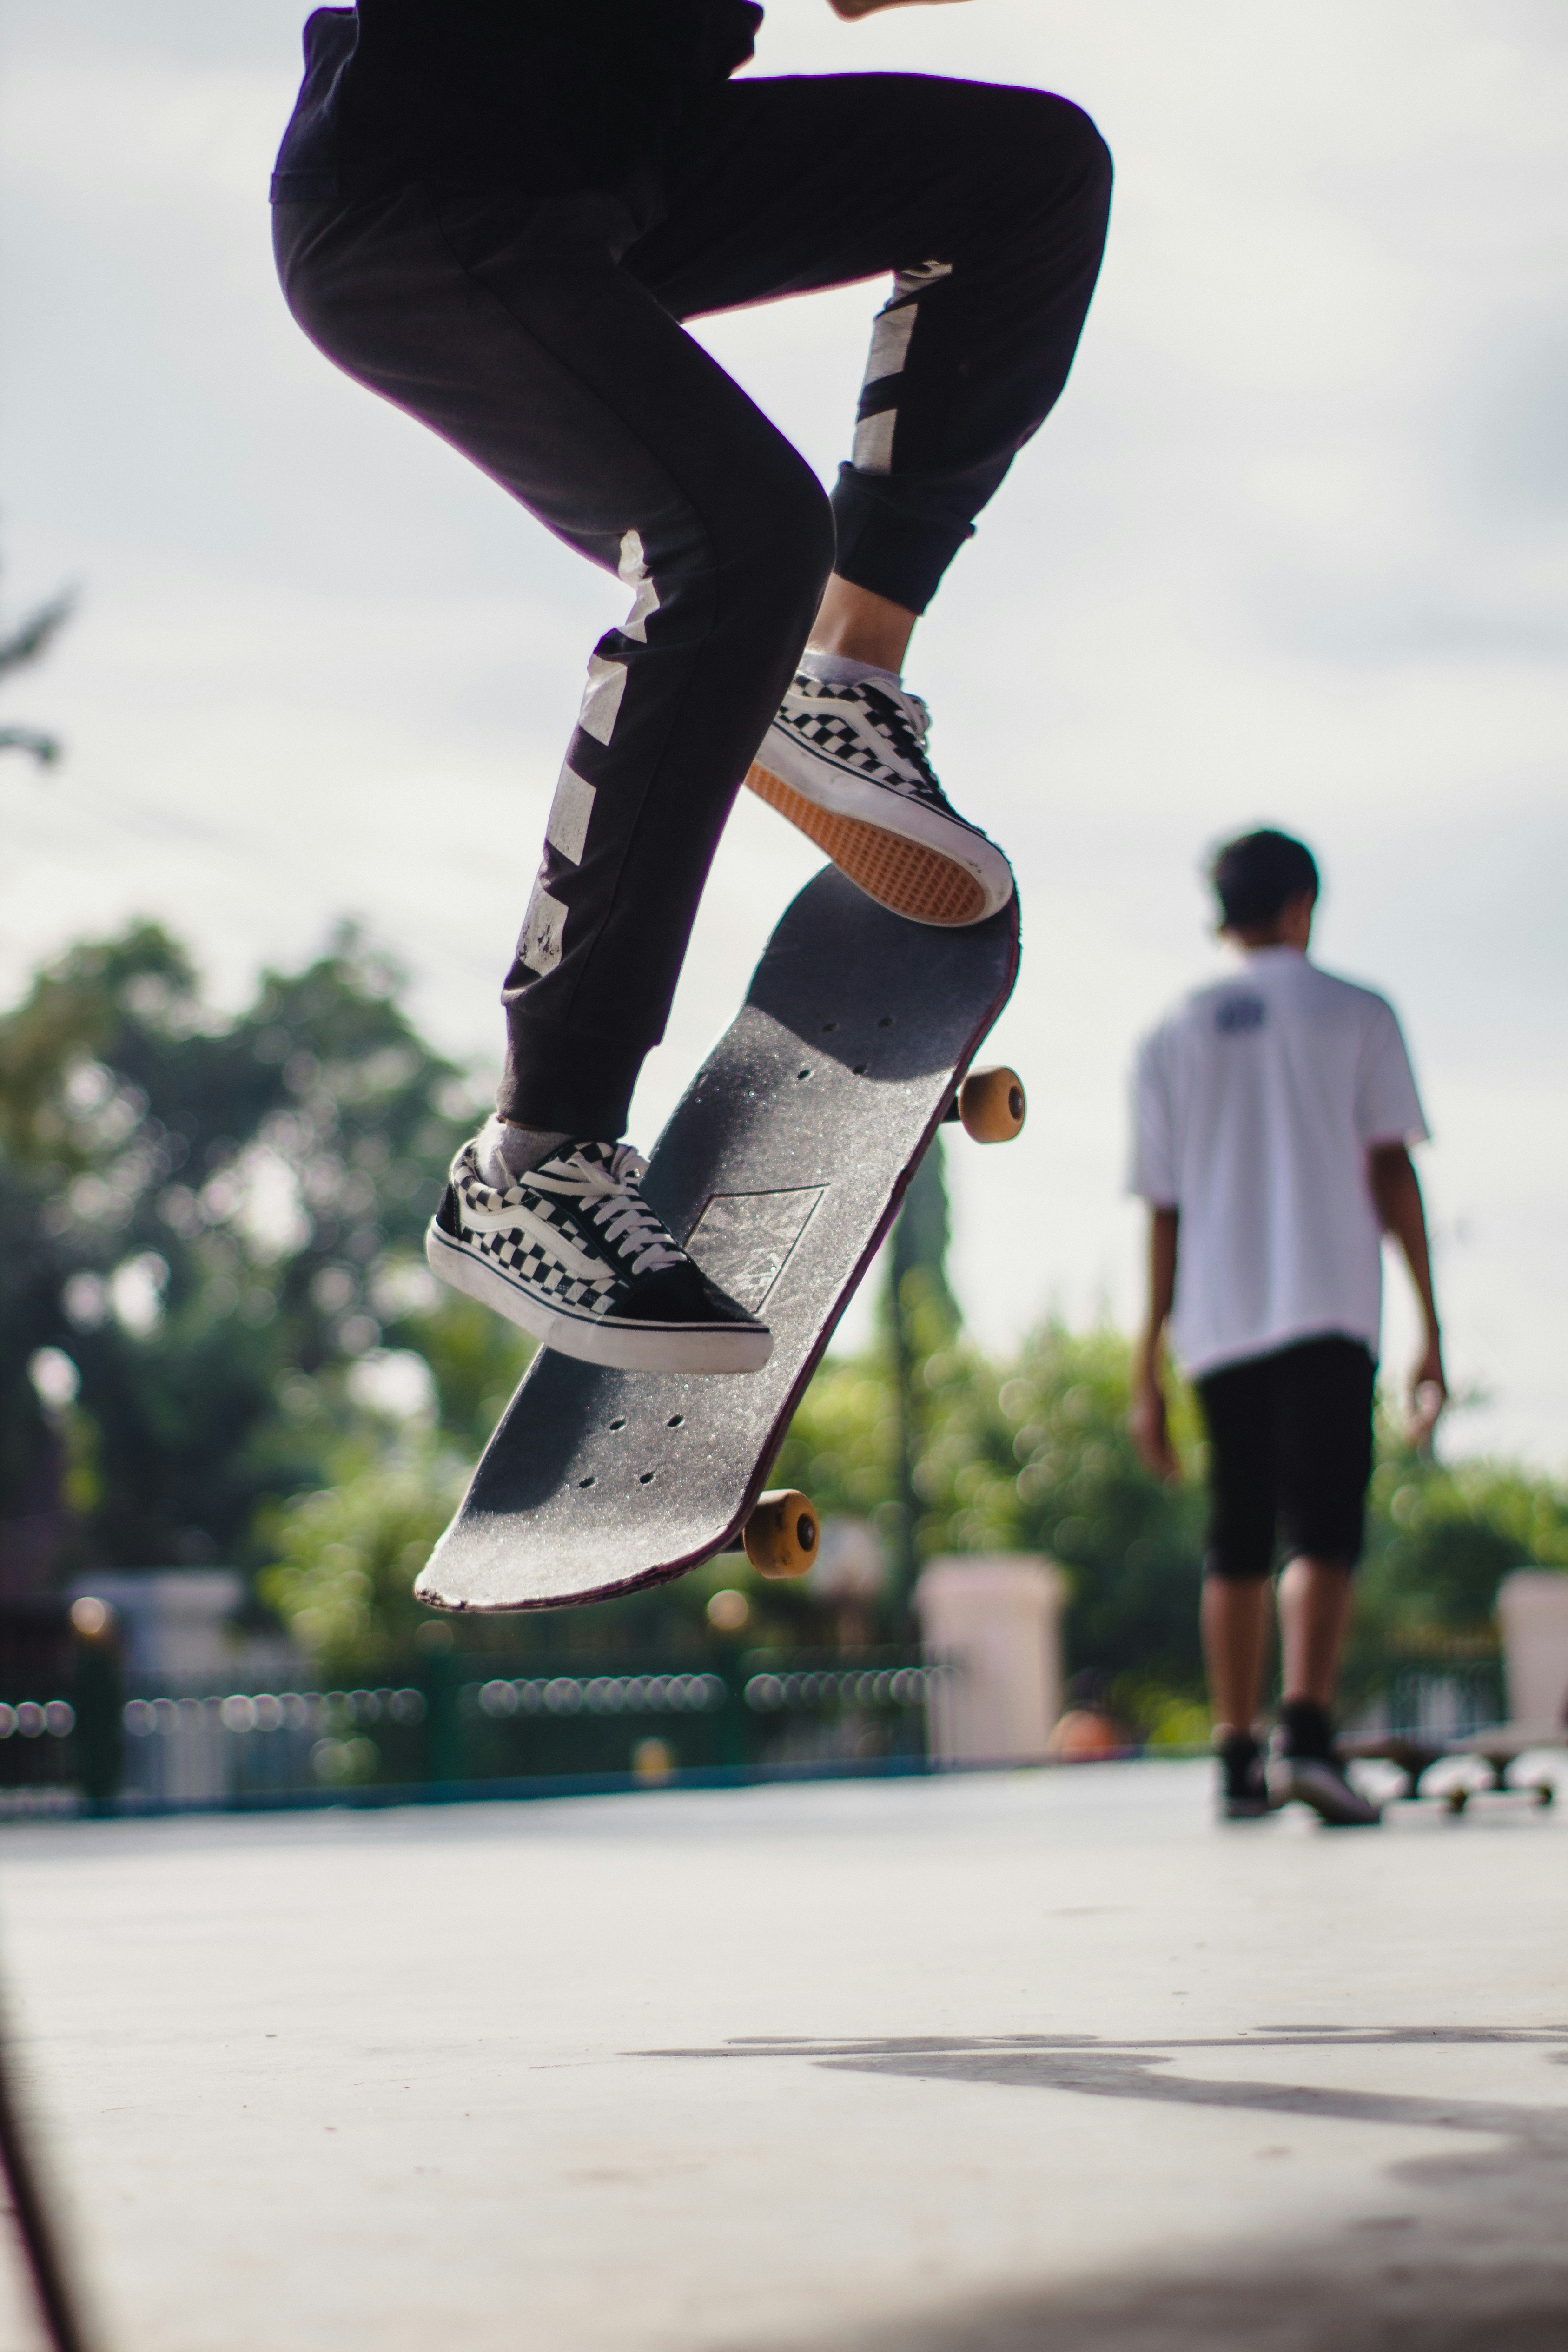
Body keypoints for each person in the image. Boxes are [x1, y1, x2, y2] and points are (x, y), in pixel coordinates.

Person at [270, 0, 1112, 1375]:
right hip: (423, 193)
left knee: (1031, 172)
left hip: (629, 164)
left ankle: (842, 675)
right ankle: (535, 1155)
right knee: (734, 544)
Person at [1127, 829, 1445, 1827]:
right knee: (1322, 1526)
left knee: (1236, 1532)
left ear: (1221, 911)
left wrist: (1147, 1361)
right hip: (1329, 1302)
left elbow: (1164, 1208)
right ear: (1302, 905)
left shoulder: (1167, 1032)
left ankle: (1234, 1752)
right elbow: (1391, 1171)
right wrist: (1433, 1323)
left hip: (1219, 1318)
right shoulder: (1355, 1012)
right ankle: (1305, 1734)